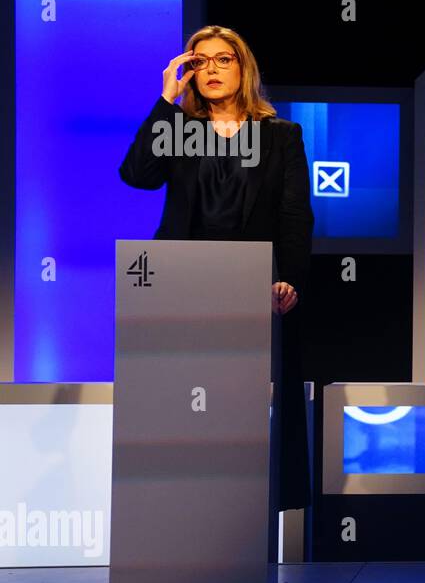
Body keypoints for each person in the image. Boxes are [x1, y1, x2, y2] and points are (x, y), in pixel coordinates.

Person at [119, 25, 314, 508]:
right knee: (182, 406)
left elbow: (294, 214)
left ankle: (242, 514)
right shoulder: (180, 130)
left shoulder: (280, 136)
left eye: (222, 59)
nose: (210, 70)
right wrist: (166, 99)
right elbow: (137, 176)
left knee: (243, 412)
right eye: (199, 61)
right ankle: (178, 507)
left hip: (253, 293)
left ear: (243, 68)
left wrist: (288, 278)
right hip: (182, 292)